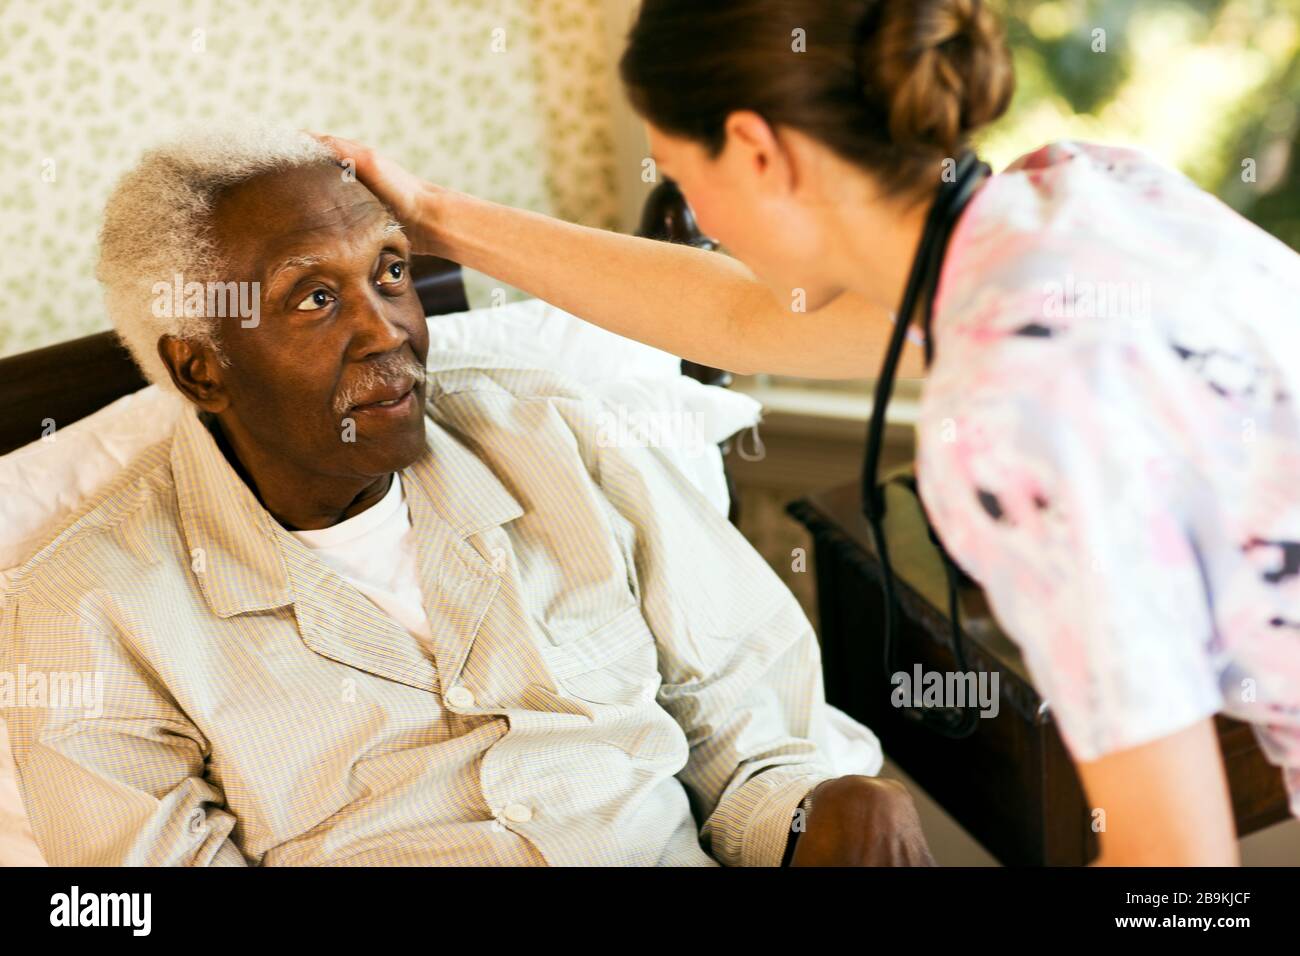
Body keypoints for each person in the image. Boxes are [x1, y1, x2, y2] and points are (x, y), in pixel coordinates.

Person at [317, 0, 1300, 865]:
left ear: (754, 148)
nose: (692, 212)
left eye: (684, 172)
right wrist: (435, 220)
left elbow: (1173, 865)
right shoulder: (1083, 195)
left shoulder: (1013, 424)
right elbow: (741, 315)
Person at [0, 124, 932, 867]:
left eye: (391, 270)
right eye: (314, 299)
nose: (388, 331)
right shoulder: (85, 609)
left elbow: (754, 740)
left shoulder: (560, 440)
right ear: (202, 369)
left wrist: (829, 815)